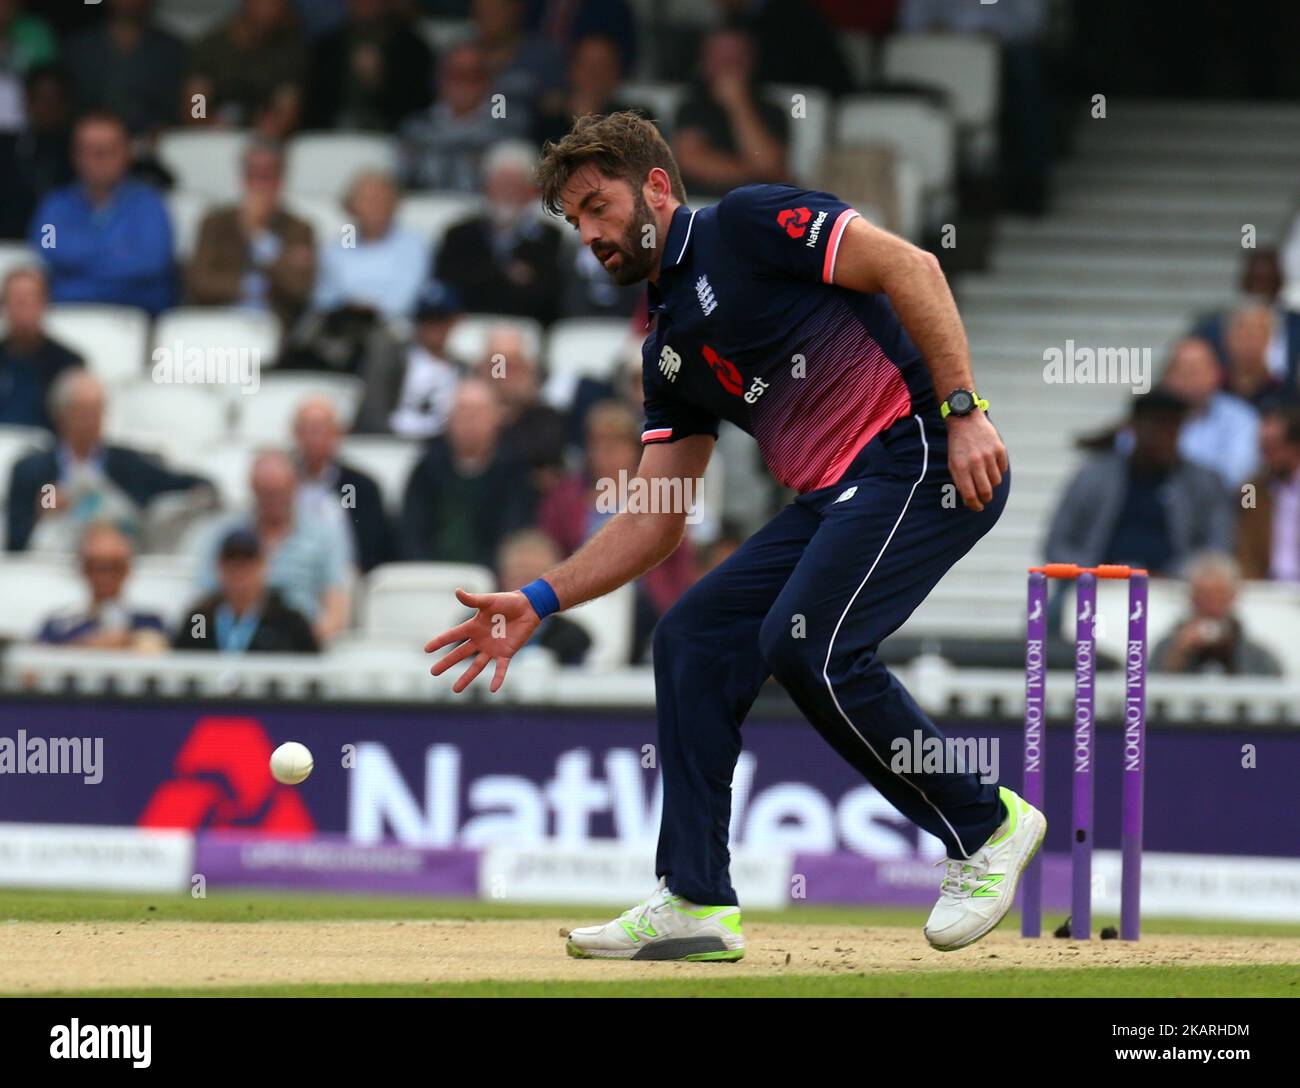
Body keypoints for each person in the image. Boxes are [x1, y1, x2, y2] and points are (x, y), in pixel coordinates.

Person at [425, 111, 1029, 961]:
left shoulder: (746, 223)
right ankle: (696, 898)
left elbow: (910, 265)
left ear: (658, 187)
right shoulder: (666, 345)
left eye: (599, 206)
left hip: (921, 450)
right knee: (694, 638)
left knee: (804, 645)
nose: (591, 233)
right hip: (835, 494)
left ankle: (985, 824)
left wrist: (964, 410)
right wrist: (539, 598)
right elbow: (657, 515)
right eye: (575, 221)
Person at [6, 371, 212, 552]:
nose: (93, 422)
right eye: (83, 413)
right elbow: (17, 538)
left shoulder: (130, 465)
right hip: (53, 566)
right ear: (61, 415)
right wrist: (45, 508)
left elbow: (190, 484)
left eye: (98, 412)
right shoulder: (33, 470)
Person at [1045, 389, 1235, 576]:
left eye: (1174, 427)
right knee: (1048, 606)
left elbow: (1218, 547)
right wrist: (1094, 573)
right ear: (1134, 427)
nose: (1167, 436)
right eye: (1158, 426)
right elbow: (1056, 545)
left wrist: (1178, 574)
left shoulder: (1204, 482)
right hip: (1095, 586)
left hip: (1177, 592)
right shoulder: (1094, 476)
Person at [195, 450, 352, 645]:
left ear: (295, 488)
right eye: (265, 492)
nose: (273, 500)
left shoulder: (324, 535)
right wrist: (201, 642)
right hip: (234, 640)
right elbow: (203, 600)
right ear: (252, 489)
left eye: (280, 492)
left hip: (300, 644)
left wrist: (305, 644)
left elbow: (336, 606)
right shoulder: (225, 534)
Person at [27, 111, 176, 314]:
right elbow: (48, 249)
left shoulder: (150, 204)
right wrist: (117, 250)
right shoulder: (55, 205)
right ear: (75, 155)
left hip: (135, 317)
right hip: (65, 315)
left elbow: (150, 261)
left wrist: (77, 262)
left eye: (107, 151)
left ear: (126, 153)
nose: (98, 160)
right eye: (89, 151)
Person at [398, 378, 535, 563]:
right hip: (429, 575)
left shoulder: (514, 472)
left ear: (496, 418)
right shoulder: (426, 469)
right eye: (462, 413)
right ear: (449, 420)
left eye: (477, 413)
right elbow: (411, 532)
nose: (469, 422)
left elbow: (512, 534)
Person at [186, 137, 315, 329]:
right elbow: (200, 282)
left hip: (276, 330)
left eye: (267, 176)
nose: (259, 185)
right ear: (242, 178)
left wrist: (259, 235)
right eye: (253, 175)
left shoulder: (299, 229)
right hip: (217, 323)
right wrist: (251, 286)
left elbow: (297, 289)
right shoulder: (214, 224)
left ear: (281, 180)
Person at [433, 140, 566, 326]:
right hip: (465, 327)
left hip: (524, 331)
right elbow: (445, 291)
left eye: (515, 184)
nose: (507, 192)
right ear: (486, 187)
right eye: (500, 183)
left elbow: (549, 298)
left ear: (530, 191)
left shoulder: (549, 237)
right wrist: (509, 275)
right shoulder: (459, 234)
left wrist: (482, 275)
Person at [672, 27, 789, 200]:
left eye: (736, 56)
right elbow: (690, 162)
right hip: (701, 205)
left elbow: (768, 162)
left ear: (751, 60)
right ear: (704, 62)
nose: (728, 64)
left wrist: (738, 104)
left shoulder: (773, 109)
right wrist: (757, 171)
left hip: (758, 206)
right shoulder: (691, 106)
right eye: (720, 56)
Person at [175, 527, 319, 653]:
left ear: (263, 567)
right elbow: (185, 658)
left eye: (247, 566)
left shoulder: (288, 622)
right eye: (232, 565)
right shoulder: (201, 620)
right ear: (219, 568)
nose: (240, 574)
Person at [292, 395, 392, 573]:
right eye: (307, 430)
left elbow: (371, 545)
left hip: (346, 576)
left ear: (338, 434)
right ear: (295, 434)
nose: (314, 438)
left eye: (321, 430)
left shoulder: (359, 487)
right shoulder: (282, 483)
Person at [304, 0, 435, 132]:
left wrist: (379, 81)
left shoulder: (413, 48)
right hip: (332, 135)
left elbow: (418, 109)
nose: (364, 3)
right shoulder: (327, 46)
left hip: (393, 135)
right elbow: (314, 105)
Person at [36, 522, 168, 651]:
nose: (105, 577)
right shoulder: (57, 626)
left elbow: (156, 650)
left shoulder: (150, 621)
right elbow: (35, 662)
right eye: (95, 567)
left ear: (128, 569)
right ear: (82, 569)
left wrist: (129, 640)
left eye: (115, 567)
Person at [313, 171, 426, 321]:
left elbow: (408, 297)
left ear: (393, 203)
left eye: (381, 199)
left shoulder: (411, 243)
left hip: (393, 327)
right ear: (351, 206)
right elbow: (325, 294)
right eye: (367, 200)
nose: (374, 207)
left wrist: (369, 310)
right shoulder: (345, 240)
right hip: (343, 324)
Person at [65, 0, 188, 136]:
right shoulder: (80, 48)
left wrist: (188, 122)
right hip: (92, 142)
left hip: (154, 145)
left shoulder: (173, 50)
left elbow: (193, 103)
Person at [1151, 553, 1281, 676]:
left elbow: (1276, 690)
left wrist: (1231, 653)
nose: (1211, 606)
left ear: (1233, 597)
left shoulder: (1258, 656)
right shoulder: (1167, 648)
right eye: (1204, 597)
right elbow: (1149, 687)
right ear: (1191, 598)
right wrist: (1179, 652)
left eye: (1219, 597)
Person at [1158, 336, 1259, 489]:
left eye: (1195, 371)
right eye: (1180, 370)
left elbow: (1239, 474)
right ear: (1167, 377)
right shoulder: (1151, 419)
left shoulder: (1242, 419)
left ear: (1216, 374)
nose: (1188, 379)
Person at [0, 267, 84, 431]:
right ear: (4, 306)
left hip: (47, 451)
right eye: (16, 301)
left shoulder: (69, 364)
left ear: (44, 304)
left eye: (29, 300)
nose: (23, 309)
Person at [496, 528, 591, 666]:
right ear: (503, 580)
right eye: (521, 579)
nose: (529, 590)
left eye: (537, 580)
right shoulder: (475, 632)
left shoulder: (574, 638)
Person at [1237, 406, 1300, 581]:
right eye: (1262, 448)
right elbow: (1245, 545)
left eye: (1271, 448)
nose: (1265, 456)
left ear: (1295, 447)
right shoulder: (1251, 490)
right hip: (1264, 590)